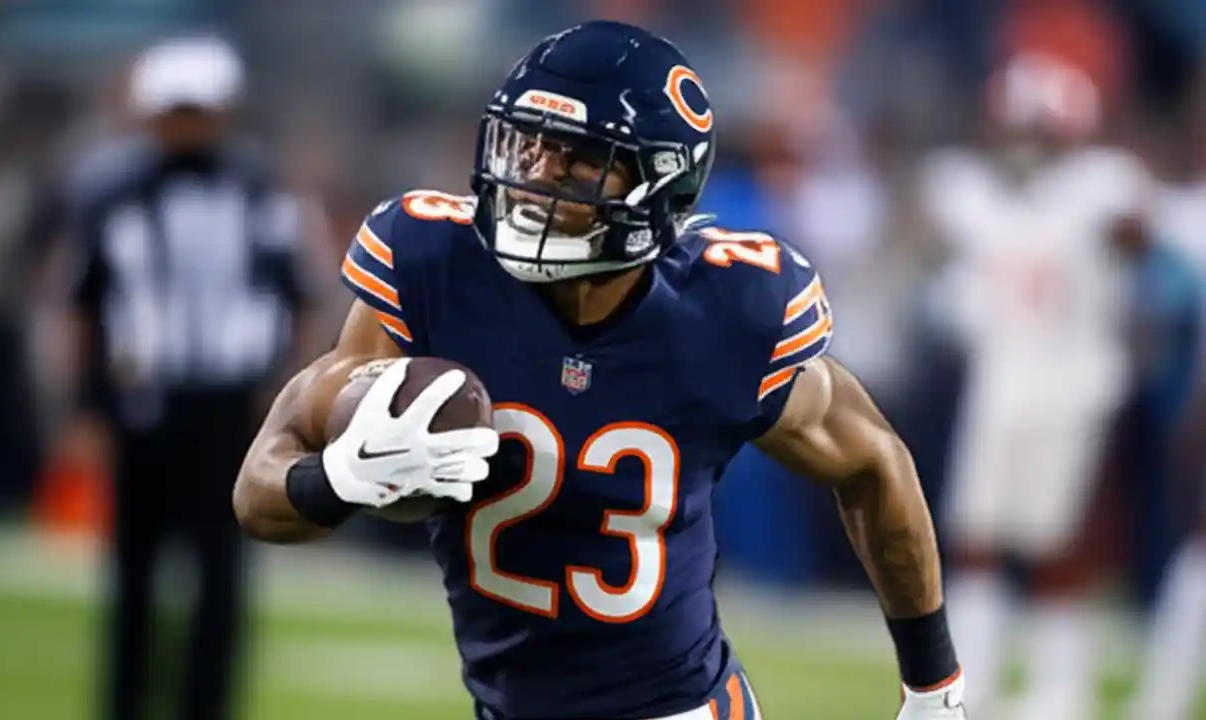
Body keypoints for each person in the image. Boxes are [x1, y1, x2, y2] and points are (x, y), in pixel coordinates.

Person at [235, 21, 964, 719]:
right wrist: (336, 481)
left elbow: (872, 462)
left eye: (578, 158)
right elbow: (258, 486)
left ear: (660, 185)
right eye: (528, 145)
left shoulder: (727, 312)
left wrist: (933, 685)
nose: (536, 177)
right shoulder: (434, 263)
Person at [67, 37, 312, 720]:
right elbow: (84, 304)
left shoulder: (261, 190)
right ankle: (125, 703)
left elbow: (299, 292)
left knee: (222, 575)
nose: (186, 126)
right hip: (143, 401)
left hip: (232, 406)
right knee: (133, 574)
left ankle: (207, 707)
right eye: (174, 111)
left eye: (197, 110)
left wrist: (285, 394)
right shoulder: (111, 192)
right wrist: (88, 405)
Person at [918, 53, 1148, 719]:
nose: (1022, 140)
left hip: (1075, 386)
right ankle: (974, 677)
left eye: (1035, 127)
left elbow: (1136, 229)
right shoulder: (974, 192)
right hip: (1001, 385)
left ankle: (1061, 687)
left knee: (1060, 542)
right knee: (976, 535)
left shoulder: (1102, 184)